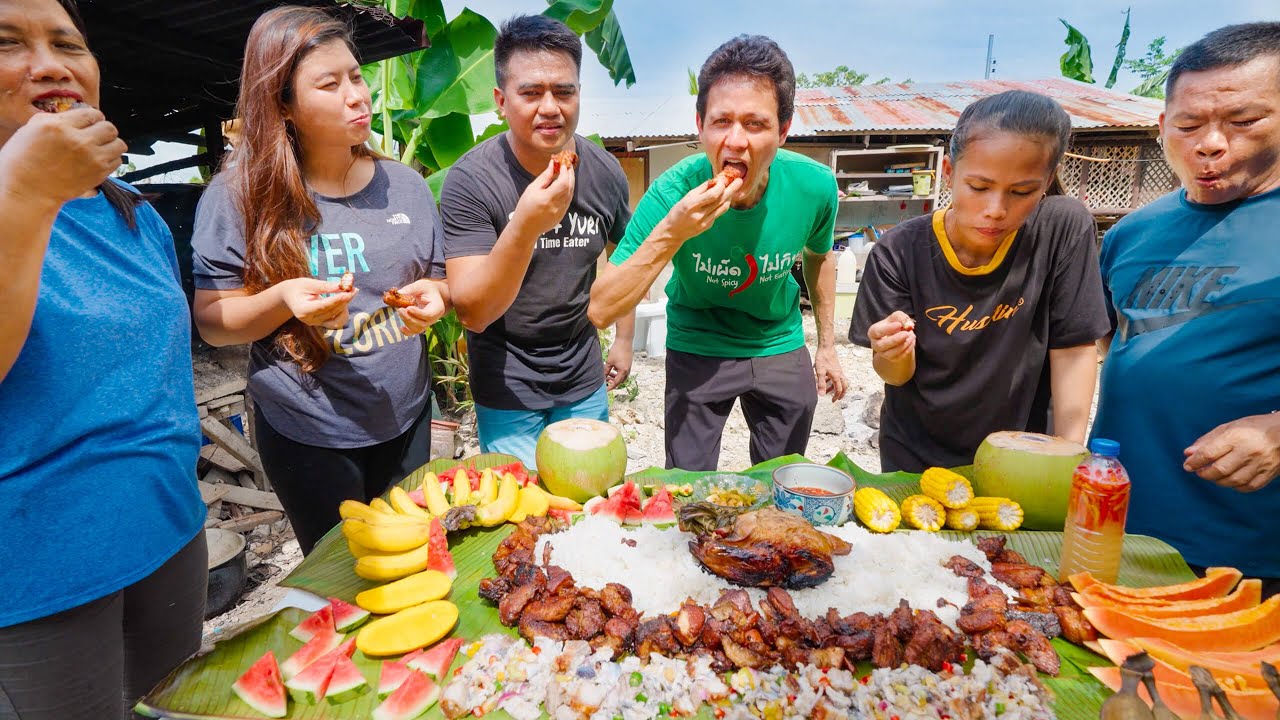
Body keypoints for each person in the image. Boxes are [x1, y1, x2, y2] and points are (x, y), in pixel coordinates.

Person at [0, 0, 208, 716]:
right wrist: (24, 189)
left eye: (68, 44)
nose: (51, 64)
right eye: (6, 43)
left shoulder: (135, 213)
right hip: (37, 578)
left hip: (171, 533)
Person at [192, 6, 450, 555]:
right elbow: (214, 322)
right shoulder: (239, 195)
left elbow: (437, 280)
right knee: (341, 578)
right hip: (307, 428)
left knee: (408, 562)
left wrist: (437, 297)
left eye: (356, 76)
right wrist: (284, 299)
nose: (356, 95)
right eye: (329, 84)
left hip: (405, 414)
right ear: (282, 105)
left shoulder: (407, 187)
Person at [589, 35, 848, 471]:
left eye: (755, 124)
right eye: (721, 121)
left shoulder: (815, 187)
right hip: (697, 339)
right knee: (688, 486)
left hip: (778, 339)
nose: (735, 141)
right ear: (700, 125)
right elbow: (600, 306)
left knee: (782, 480)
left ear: (783, 130)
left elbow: (820, 257)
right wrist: (673, 230)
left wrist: (827, 346)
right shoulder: (671, 192)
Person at [1091, 22, 1280, 594]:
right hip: (1120, 537)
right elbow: (1111, 347)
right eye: (1190, 125)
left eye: (1244, 121)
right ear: (1161, 128)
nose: (1211, 143)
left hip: (1252, 555)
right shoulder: (1130, 233)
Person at [849, 90, 1110, 472]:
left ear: (1047, 181)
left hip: (1023, 460)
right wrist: (893, 352)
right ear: (949, 173)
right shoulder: (898, 251)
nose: (996, 210)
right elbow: (895, 375)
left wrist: (1070, 457)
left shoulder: (1062, 228)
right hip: (917, 458)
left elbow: (1074, 349)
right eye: (979, 187)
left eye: (1022, 192)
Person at [439, 15, 634, 470]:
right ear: (501, 101)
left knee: (588, 504)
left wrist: (624, 339)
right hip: (506, 381)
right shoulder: (472, 181)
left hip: (583, 375)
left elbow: (625, 262)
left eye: (564, 91)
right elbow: (472, 310)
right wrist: (526, 224)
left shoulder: (604, 171)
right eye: (531, 93)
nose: (550, 107)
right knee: (520, 519)